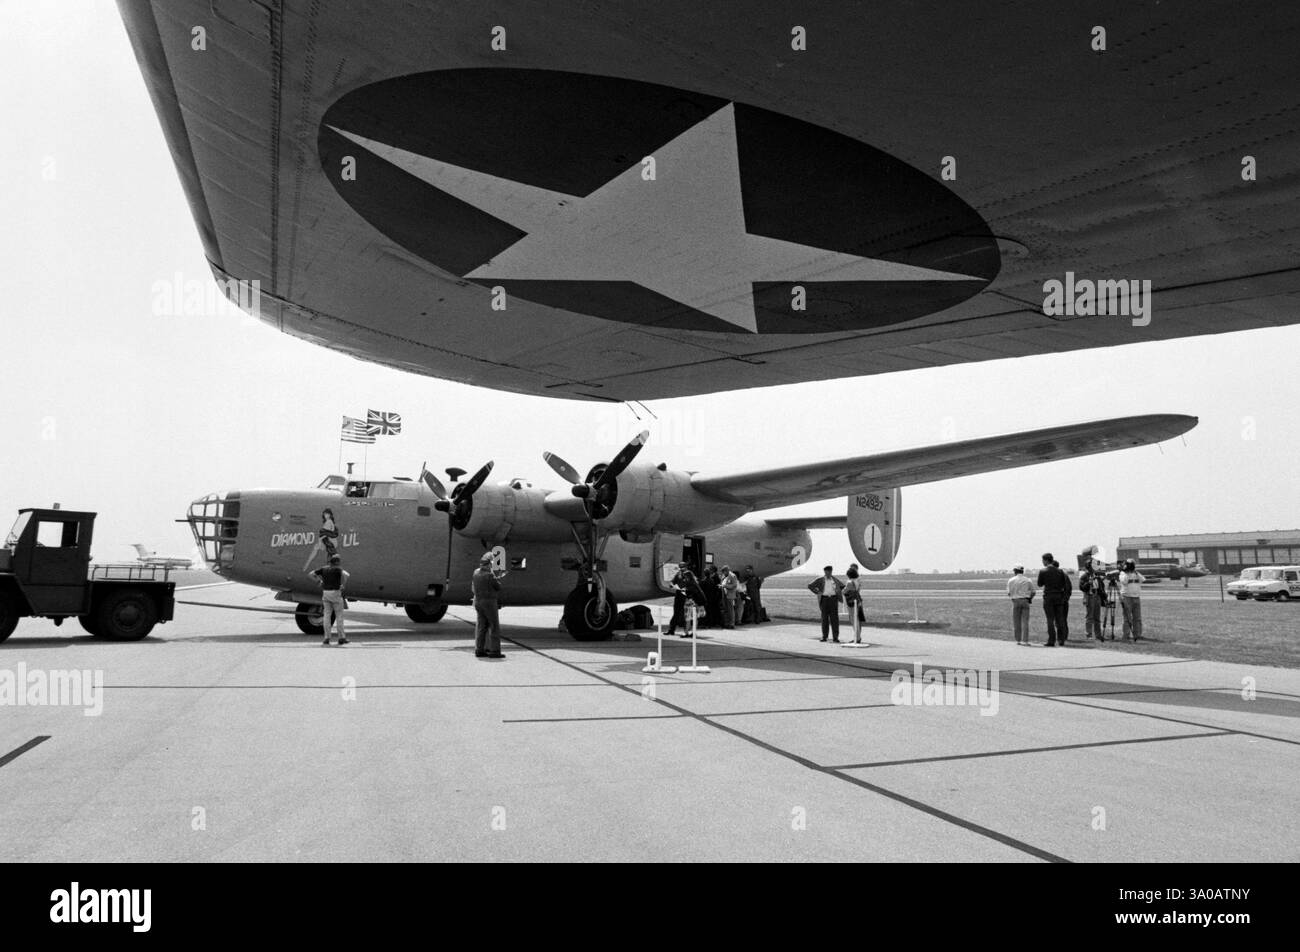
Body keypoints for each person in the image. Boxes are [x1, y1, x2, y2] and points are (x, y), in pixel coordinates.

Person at [309, 554, 350, 646]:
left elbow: (311, 574)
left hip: (326, 593)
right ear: (337, 562)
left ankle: (326, 638)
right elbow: (347, 575)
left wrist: (319, 581)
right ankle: (341, 638)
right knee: (339, 616)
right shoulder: (338, 569)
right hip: (335, 593)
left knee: (327, 616)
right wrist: (343, 584)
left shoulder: (324, 569)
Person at [471, 553, 505, 658]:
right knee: (494, 626)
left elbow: (473, 587)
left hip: (478, 602)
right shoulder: (490, 575)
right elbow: (498, 587)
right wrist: (498, 576)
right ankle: (495, 651)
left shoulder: (475, 572)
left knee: (481, 627)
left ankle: (479, 650)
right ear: (489, 564)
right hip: (489, 602)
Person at [1037, 553, 1070, 646]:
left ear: (1046, 560)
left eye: (1043, 560)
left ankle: (1051, 640)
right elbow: (1064, 584)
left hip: (1048, 597)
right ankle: (1061, 639)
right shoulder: (1060, 571)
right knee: (1060, 619)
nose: (1042, 562)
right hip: (1058, 597)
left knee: (1050, 619)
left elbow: (1039, 584)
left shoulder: (1043, 571)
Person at [807, 566, 845, 642]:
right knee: (824, 619)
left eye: (830, 571)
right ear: (824, 572)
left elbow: (842, 586)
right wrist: (818, 592)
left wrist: (838, 593)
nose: (829, 573)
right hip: (824, 599)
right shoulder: (820, 579)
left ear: (831, 571)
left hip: (833, 599)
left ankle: (835, 637)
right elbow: (810, 585)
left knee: (834, 619)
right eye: (827, 572)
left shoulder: (835, 580)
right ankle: (824, 636)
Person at [666, 567, 706, 637]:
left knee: (688, 618)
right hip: (694, 603)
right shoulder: (694, 582)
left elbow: (690, 592)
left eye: (685, 577)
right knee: (693, 618)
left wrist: (683, 590)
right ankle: (691, 633)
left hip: (691, 603)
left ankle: (686, 632)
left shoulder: (691, 583)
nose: (684, 579)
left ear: (688, 577)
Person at [1006, 565, 1036, 645]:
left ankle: (1018, 640)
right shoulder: (1028, 580)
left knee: (1016, 621)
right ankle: (1025, 640)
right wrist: (1030, 598)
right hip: (1025, 600)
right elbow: (1033, 592)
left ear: (1015, 571)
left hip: (1015, 601)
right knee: (1025, 621)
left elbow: (1009, 593)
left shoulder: (1011, 580)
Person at [1118, 560, 1145, 641]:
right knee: (1127, 618)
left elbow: (1143, 579)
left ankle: (1137, 634)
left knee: (1137, 618)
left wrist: (1135, 572)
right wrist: (1127, 572)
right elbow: (1124, 581)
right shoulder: (1122, 574)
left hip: (1136, 597)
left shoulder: (1136, 573)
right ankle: (1126, 635)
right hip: (1126, 597)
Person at [1079, 560, 1104, 640]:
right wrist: (1088, 583)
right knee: (1090, 617)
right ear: (1089, 566)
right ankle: (1089, 634)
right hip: (1090, 596)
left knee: (1097, 617)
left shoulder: (1096, 575)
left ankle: (1098, 635)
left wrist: (1103, 597)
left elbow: (1101, 587)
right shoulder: (1084, 576)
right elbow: (1082, 587)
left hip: (1097, 597)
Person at [843, 565, 867, 644]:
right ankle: (858, 637)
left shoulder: (849, 582)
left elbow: (844, 591)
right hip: (858, 600)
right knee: (857, 619)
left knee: (854, 620)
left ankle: (857, 637)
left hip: (851, 602)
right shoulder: (857, 581)